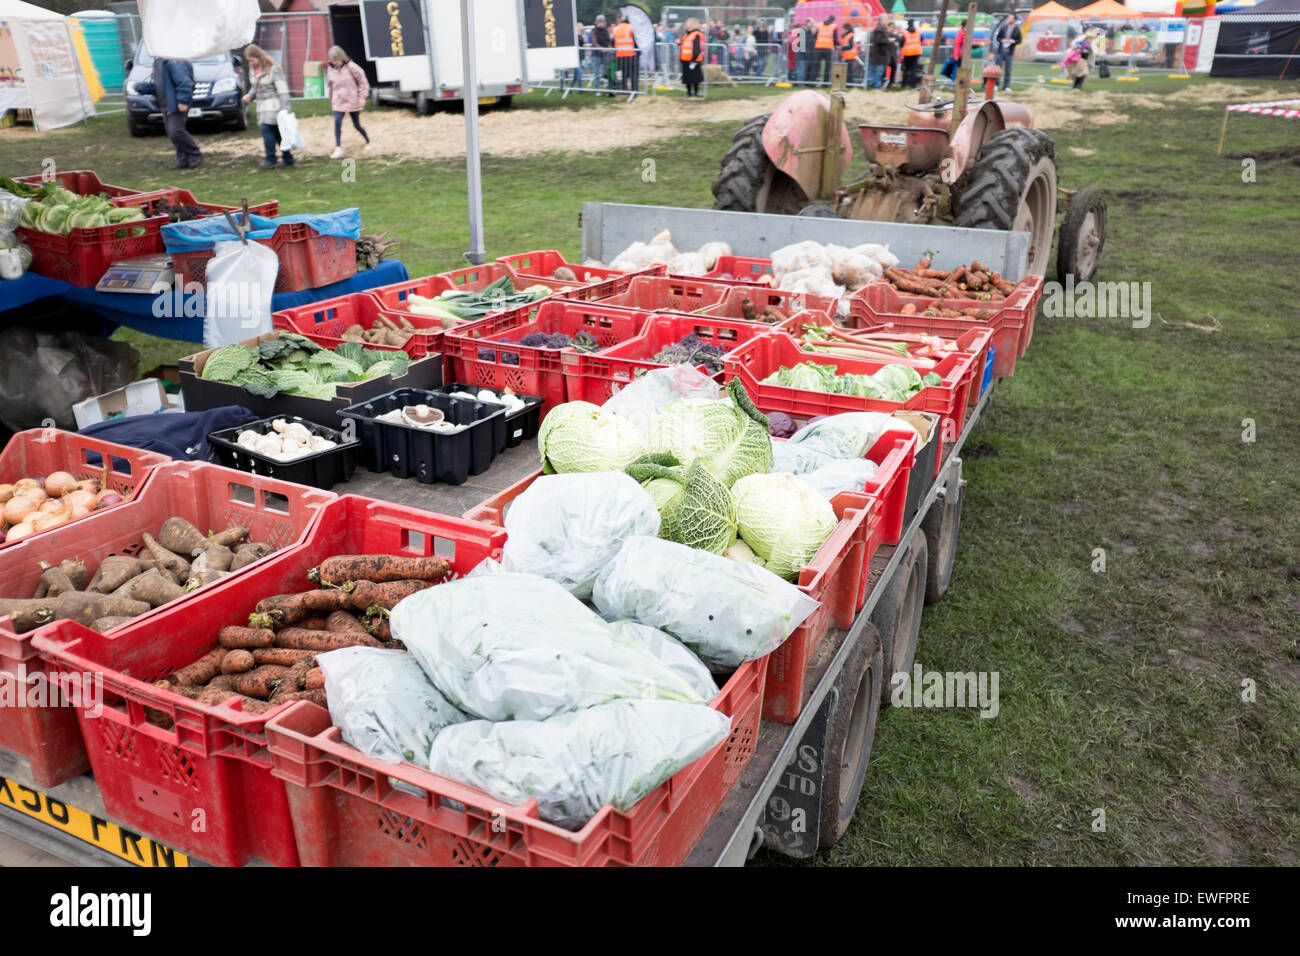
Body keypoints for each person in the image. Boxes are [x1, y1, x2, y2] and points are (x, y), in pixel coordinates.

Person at [241, 45, 292, 169]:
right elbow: (255, 86)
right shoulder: (253, 70)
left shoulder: (273, 69)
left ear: (258, 57)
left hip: (274, 107)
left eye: (252, 60)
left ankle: (271, 159)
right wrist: (250, 95)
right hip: (261, 107)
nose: (251, 63)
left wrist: (285, 109)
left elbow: (283, 90)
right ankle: (287, 158)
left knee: (267, 131)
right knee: (277, 134)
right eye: (249, 61)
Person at [152, 56, 201, 169]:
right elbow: (161, 83)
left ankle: (194, 154)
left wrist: (183, 100)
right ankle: (182, 159)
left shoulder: (172, 61)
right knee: (171, 133)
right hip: (166, 103)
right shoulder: (158, 62)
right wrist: (145, 88)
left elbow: (184, 82)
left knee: (176, 131)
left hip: (175, 103)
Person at [324, 45, 370, 160]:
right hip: (338, 101)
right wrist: (330, 95)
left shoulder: (352, 67)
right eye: (332, 60)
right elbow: (330, 83)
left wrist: (362, 97)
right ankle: (338, 147)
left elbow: (363, 82)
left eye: (336, 60)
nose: (334, 63)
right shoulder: (331, 68)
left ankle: (368, 141)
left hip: (352, 100)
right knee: (337, 121)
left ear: (341, 57)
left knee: (356, 125)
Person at [992, 13, 1022, 90]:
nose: (1009, 19)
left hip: (1009, 53)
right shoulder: (1003, 28)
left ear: (1014, 20)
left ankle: (1006, 86)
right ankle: (996, 85)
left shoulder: (1017, 30)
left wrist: (1014, 41)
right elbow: (998, 38)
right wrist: (1002, 40)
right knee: (998, 69)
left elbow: (1019, 40)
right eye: (1009, 18)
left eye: (1011, 18)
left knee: (1008, 70)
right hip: (1001, 52)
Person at [679, 17, 705, 97]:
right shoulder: (688, 35)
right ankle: (689, 93)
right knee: (688, 78)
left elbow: (696, 48)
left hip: (693, 60)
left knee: (695, 78)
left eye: (687, 24)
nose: (686, 26)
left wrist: (693, 60)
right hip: (686, 60)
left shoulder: (696, 35)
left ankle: (695, 94)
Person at [612, 14, 639, 93]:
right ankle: (634, 91)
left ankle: (624, 91)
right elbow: (635, 41)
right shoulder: (631, 27)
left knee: (623, 75)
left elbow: (613, 42)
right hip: (630, 55)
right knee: (632, 75)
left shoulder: (615, 29)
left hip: (620, 56)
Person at [812, 15, 838, 85]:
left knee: (816, 65)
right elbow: (835, 38)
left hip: (818, 47)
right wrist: (837, 45)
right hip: (828, 48)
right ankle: (825, 83)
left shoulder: (820, 25)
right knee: (827, 66)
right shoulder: (833, 26)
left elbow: (815, 36)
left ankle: (812, 82)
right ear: (833, 20)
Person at [591, 14, 614, 95]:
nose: (602, 23)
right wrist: (601, 48)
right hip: (596, 55)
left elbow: (608, 41)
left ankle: (608, 91)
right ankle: (596, 90)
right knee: (596, 74)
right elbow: (594, 42)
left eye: (603, 22)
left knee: (607, 73)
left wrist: (608, 47)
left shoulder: (606, 30)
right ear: (597, 23)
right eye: (600, 22)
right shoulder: (594, 30)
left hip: (605, 55)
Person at [868, 15, 892, 89]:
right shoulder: (879, 30)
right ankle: (877, 86)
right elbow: (879, 40)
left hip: (880, 54)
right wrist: (888, 40)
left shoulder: (881, 29)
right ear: (881, 20)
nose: (886, 21)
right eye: (885, 20)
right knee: (878, 71)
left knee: (877, 71)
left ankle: (874, 84)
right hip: (879, 54)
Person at [901, 19, 922, 88]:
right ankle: (913, 84)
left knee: (906, 69)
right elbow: (921, 40)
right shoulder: (918, 31)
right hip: (916, 52)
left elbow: (901, 42)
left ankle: (904, 84)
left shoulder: (905, 32)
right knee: (913, 69)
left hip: (907, 53)